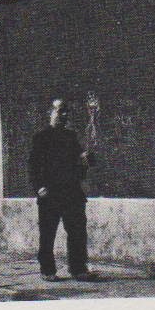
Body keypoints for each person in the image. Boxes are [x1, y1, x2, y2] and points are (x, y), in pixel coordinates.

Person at [29, 97, 97, 281]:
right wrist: (39, 187)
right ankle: (47, 270)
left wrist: (86, 159)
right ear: (50, 113)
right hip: (50, 193)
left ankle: (78, 268)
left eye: (66, 111)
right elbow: (33, 166)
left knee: (77, 232)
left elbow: (81, 164)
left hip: (72, 192)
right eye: (60, 111)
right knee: (48, 233)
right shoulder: (41, 138)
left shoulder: (71, 137)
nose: (65, 114)